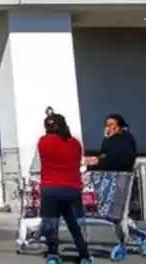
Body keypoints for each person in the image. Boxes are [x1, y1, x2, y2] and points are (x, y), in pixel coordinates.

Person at [85, 113, 146, 258]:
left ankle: (126, 242)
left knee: (119, 215)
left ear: (119, 126)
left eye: (112, 124)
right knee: (109, 213)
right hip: (108, 177)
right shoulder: (109, 140)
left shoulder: (127, 139)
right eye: (107, 125)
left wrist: (101, 161)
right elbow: (104, 155)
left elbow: (118, 158)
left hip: (123, 177)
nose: (109, 128)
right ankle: (139, 236)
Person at [37, 113, 94, 264]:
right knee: (74, 225)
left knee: (51, 224)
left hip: (50, 189)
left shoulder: (43, 142)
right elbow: (75, 161)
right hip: (72, 188)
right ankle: (85, 255)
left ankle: (53, 255)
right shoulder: (75, 143)